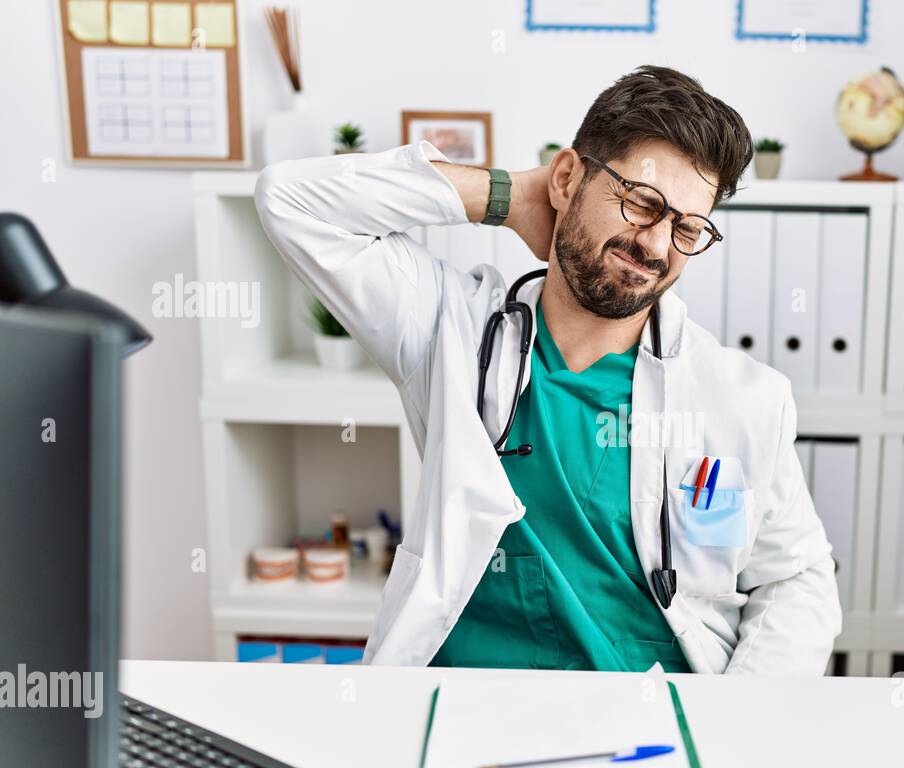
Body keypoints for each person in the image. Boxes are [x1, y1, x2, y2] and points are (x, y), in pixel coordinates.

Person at [255, 65, 841, 674]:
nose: (658, 247)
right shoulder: (447, 328)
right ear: (567, 178)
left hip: (655, 719)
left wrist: (731, 715)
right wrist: (506, 198)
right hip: (463, 706)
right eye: (642, 204)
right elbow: (288, 200)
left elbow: (797, 579)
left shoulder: (744, 398)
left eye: (688, 227)